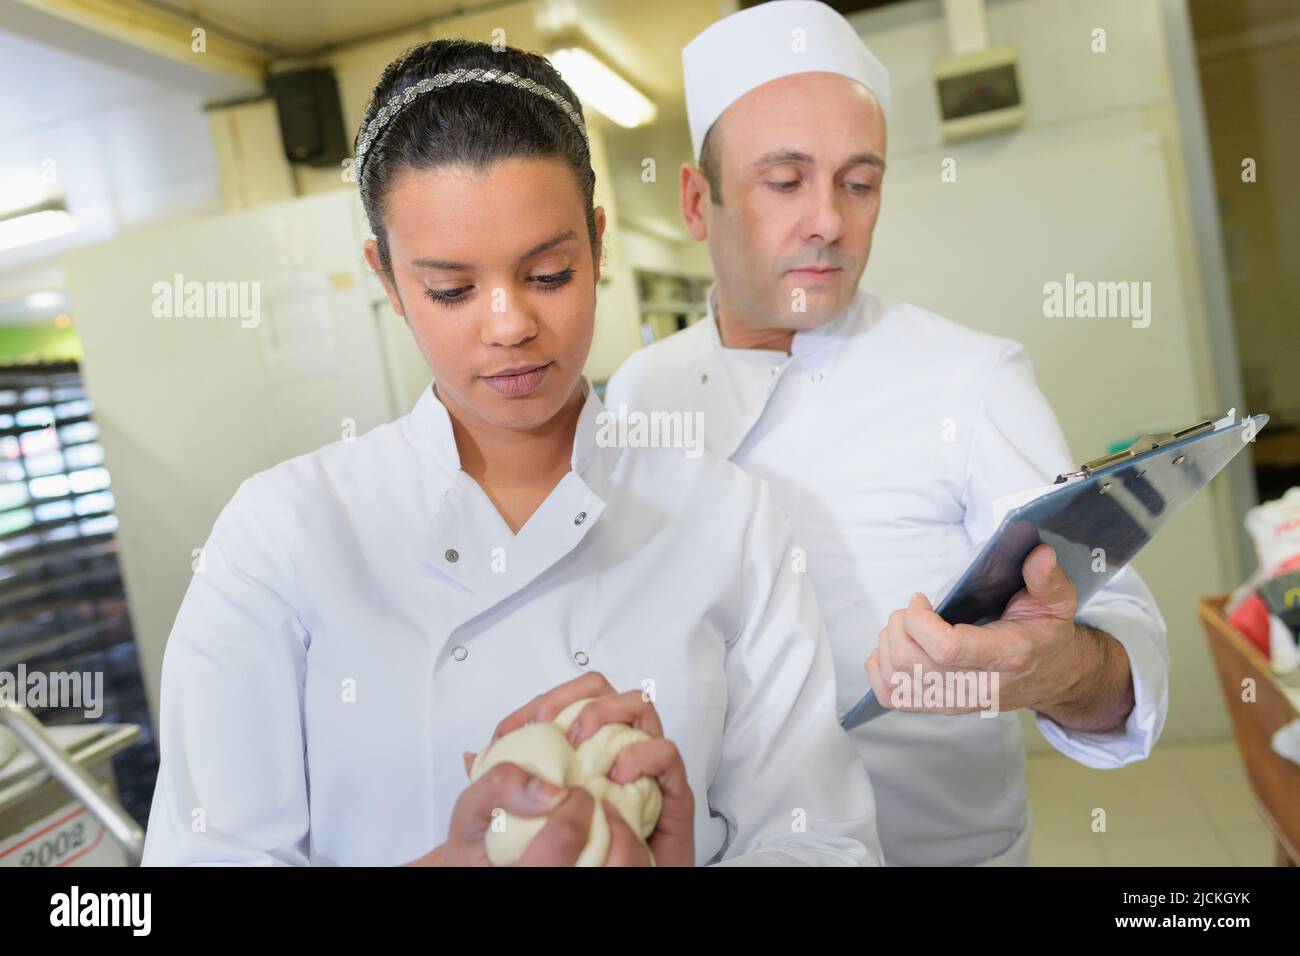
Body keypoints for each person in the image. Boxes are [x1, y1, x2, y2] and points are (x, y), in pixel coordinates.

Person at [141, 37, 881, 867]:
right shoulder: (283, 534)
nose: (508, 324)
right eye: (451, 289)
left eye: (549, 273)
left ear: (598, 247)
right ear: (386, 281)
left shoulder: (727, 517)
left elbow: (825, 840)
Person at [605, 0, 1169, 866]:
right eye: (785, 181)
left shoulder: (969, 380)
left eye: (858, 182)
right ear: (696, 199)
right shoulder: (645, 390)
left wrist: (1053, 669)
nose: (828, 220)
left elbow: (1124, 660)